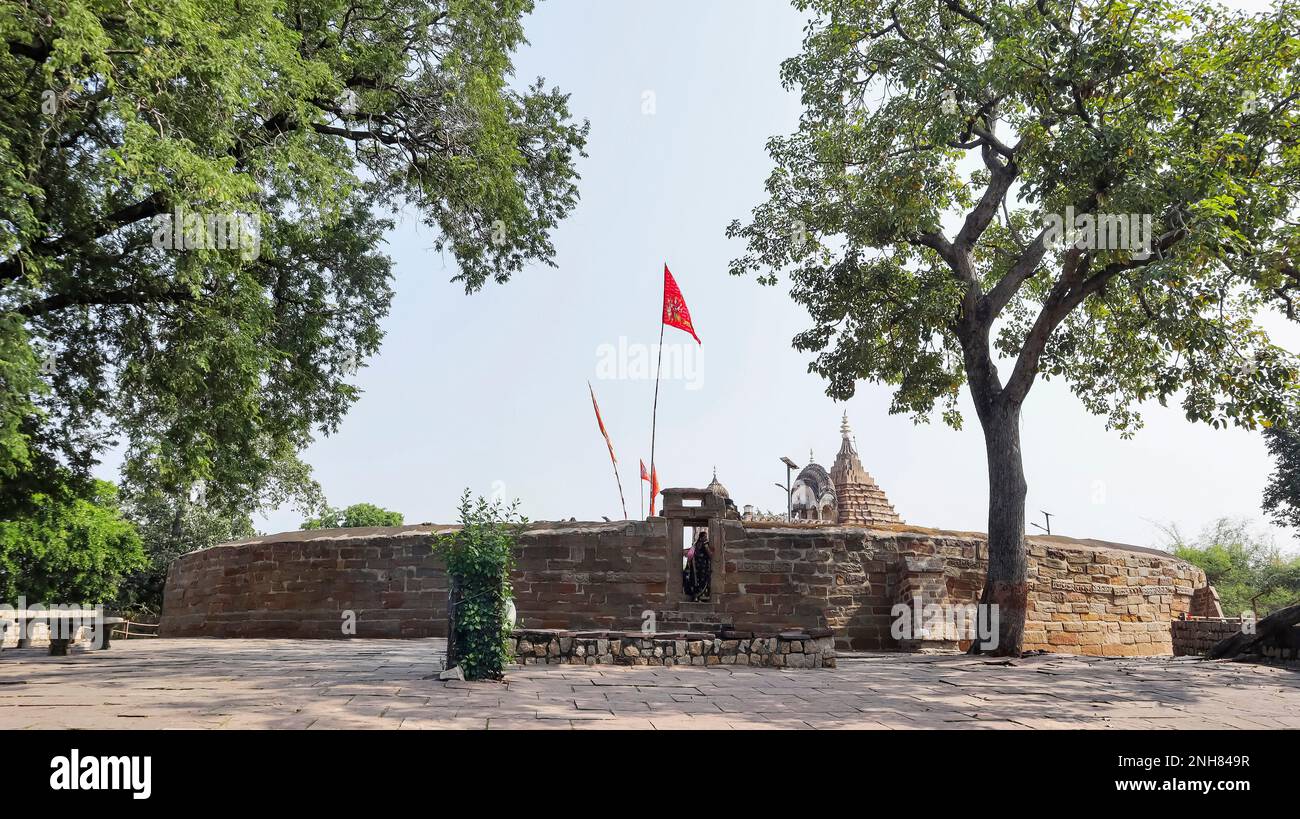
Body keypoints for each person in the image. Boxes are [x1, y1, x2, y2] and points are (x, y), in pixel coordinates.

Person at [682, 529, 712, 602]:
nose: (706, 538)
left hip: (703, 566)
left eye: (706, 536)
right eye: (705, 536)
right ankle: (695, 596)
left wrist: (706, 546)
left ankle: (701, 596)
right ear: (701, 537)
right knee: (694, 581)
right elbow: (690, 554)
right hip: (695, 566)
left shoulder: (706, 544)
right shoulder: (695, 545)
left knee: (703, 580)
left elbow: (710, 555)